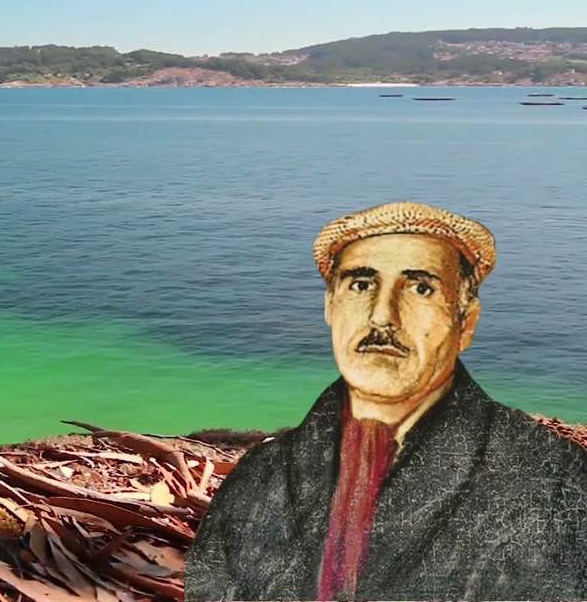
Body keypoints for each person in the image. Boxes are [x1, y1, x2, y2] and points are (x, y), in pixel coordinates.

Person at [183, 200, 587, 601]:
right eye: (360, 284)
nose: (381, 316)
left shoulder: (553, 480)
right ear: (329, 307)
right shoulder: (260, 475)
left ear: (466, 322)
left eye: (420, 287)